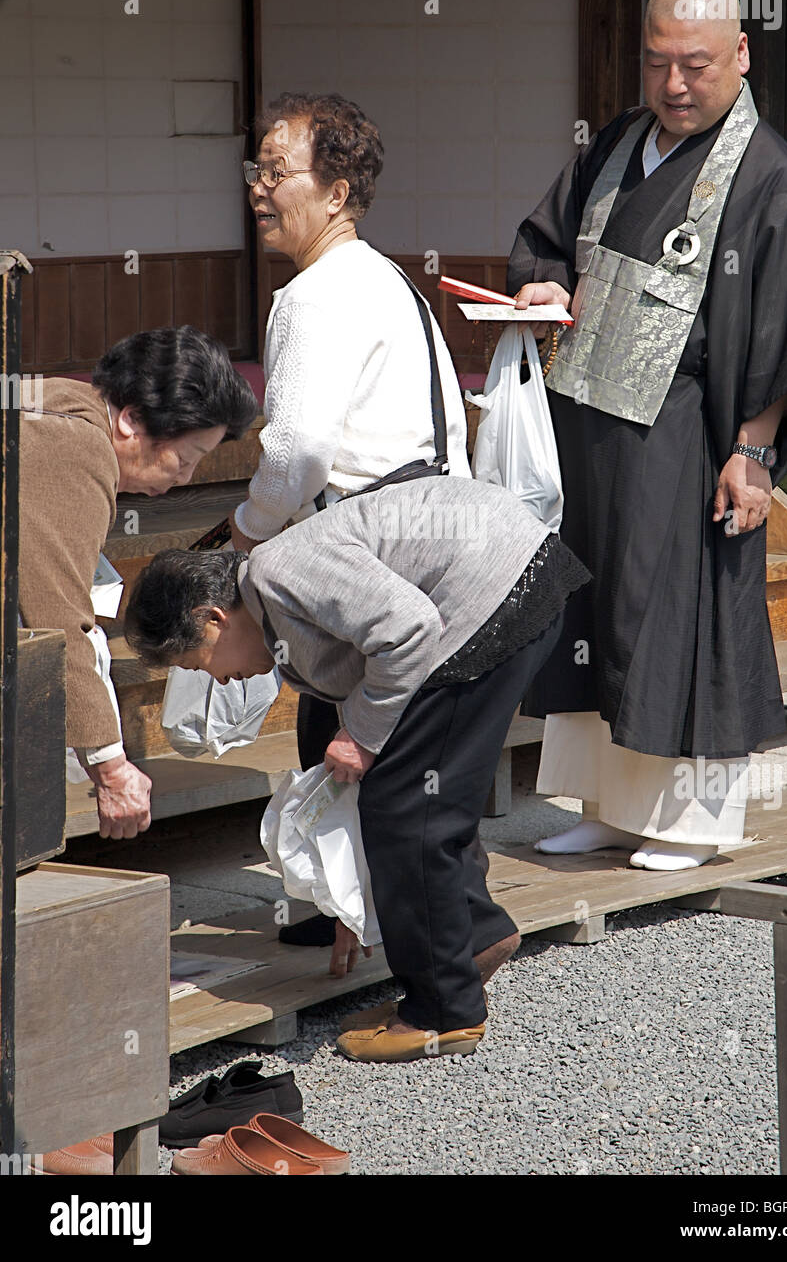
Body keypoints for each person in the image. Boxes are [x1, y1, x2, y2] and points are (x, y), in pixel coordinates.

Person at [507, 0, 787, 872]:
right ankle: (609, 807)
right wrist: (543, 281)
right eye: (657, 64)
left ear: (740, 55)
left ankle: (689, 822)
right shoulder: (615, 145)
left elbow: (786, 327)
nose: (674, 85)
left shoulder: (768, 178)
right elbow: (547, 237)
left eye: (696, 65)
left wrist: (752, 451)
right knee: (594, 607)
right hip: (591, 424)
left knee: (675, 613)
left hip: (688, 434)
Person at [124, 476, 589, 1062]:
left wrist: (363, 738)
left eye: (199, 664)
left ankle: (441, 1013)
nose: (218, 679)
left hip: (493, 584)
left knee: (407, 808)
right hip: (502, 579)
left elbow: (408, 629)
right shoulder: (274, 602)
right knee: (415, 793)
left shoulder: (277, 572)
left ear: (213, 618)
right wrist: (353, 903)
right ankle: (471, 941)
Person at [228, 91, 471, 771]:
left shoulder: (315, 294)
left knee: (346, 765)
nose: (259, 189)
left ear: (336, 193)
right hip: (433, 543)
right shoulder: (386, 277)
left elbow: (298, 449)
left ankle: (341, 881)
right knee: (406, 768)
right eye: (257, 170)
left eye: (277, 172)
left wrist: (252, 521)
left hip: (363, 555)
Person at [18, 327, 258, 840]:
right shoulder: (75, 446)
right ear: (130, 421)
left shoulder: (62, 402)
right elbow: (58, 615)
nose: (186, 478)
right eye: (186, 457)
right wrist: (110, 766)